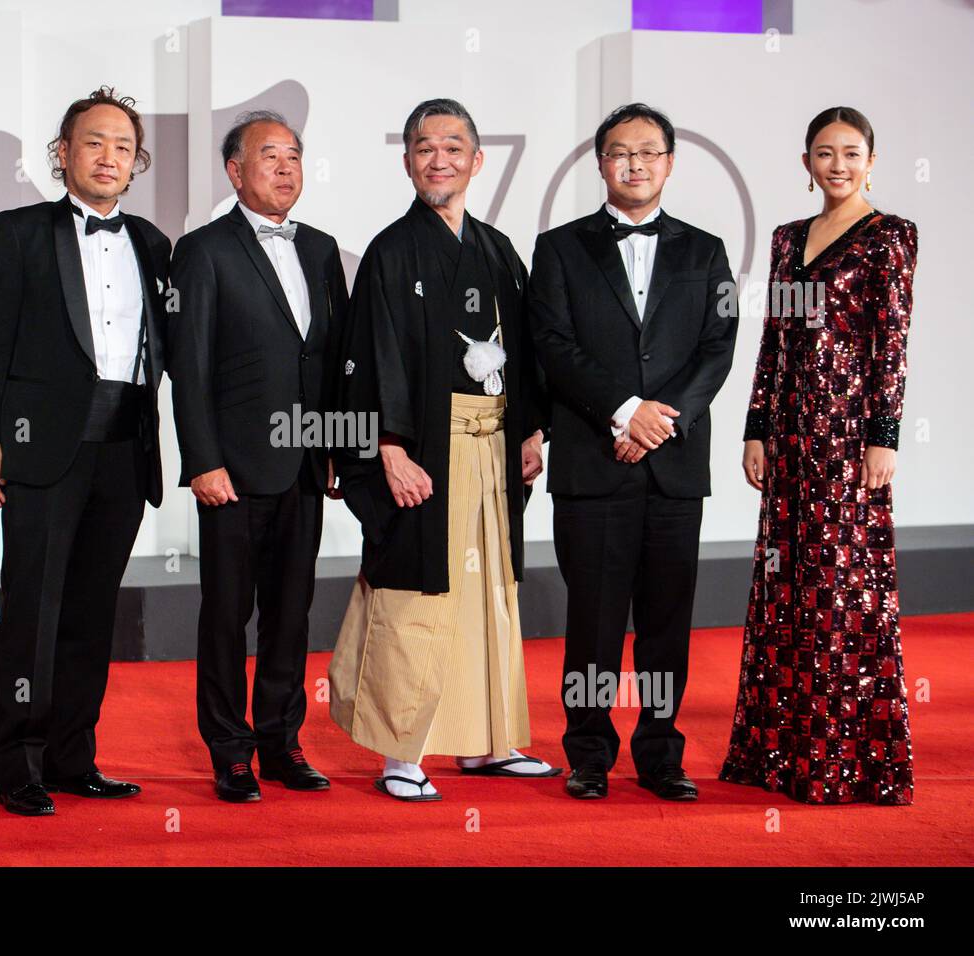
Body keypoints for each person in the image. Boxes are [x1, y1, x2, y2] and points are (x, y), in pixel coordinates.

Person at [329, 98, 556, 803]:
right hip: (426, 445)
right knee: (416, 595)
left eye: (454, 147)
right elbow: (370, 358)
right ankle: (404, 750)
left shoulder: (497, 250)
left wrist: (530, 427)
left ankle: (486, 740)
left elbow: (526, 351)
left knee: (488, 592)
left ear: (477, 160)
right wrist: (387, 448)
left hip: (490, 447)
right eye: (425, 147)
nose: (439, 159)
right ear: (407, 161)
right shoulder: (393, 252)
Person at [530, 103, 737, 801]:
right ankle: (588, 753)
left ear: (670, 163)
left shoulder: (706, 250)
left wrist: (659, 423)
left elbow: (717, 350)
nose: (636, 164)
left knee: (665, 623)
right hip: (593, 462)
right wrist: (624, 412)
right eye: (622, 153)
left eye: (649, 152)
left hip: (673, 469)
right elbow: (553, 348)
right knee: (591, 621)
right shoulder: (558, 249)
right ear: (601, 163)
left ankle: (660, 752)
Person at [0, 87, 171, 816]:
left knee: (93, 610)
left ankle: (71, 755)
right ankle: (14, 760)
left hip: (125, 448)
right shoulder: (20, 231)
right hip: (43, 446)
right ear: (62, 155)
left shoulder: (153, 243)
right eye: (94, 142)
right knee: (33, 607)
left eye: (123, 146)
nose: (110, 157)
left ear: (136, 161)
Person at [720, 107, 916, 805]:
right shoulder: (785, 239)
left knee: (842, 588)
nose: (838, 164)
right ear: (806, 163)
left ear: (872, 160)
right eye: (825, 153)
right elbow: (774, 341)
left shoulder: (889, 238)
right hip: (790, 437)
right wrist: (754, 429)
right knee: (787, 585)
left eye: (852, 152)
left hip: (847, 437)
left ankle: (842, 759)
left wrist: (883, 437)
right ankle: (779, 752)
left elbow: (891, 342)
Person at [168, 110, 348, 803]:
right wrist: (202, 460)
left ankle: (281, 743)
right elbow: (191, 366)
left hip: (304, 465)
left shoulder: (324, 249)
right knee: (225, 615)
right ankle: (230, 750)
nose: (285, 168)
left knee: (291, 613)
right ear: (235, 171)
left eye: (295, 156)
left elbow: (330, 361)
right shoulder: (204, 250)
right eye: (269, 156)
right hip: (233, 471)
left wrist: (333, 444)